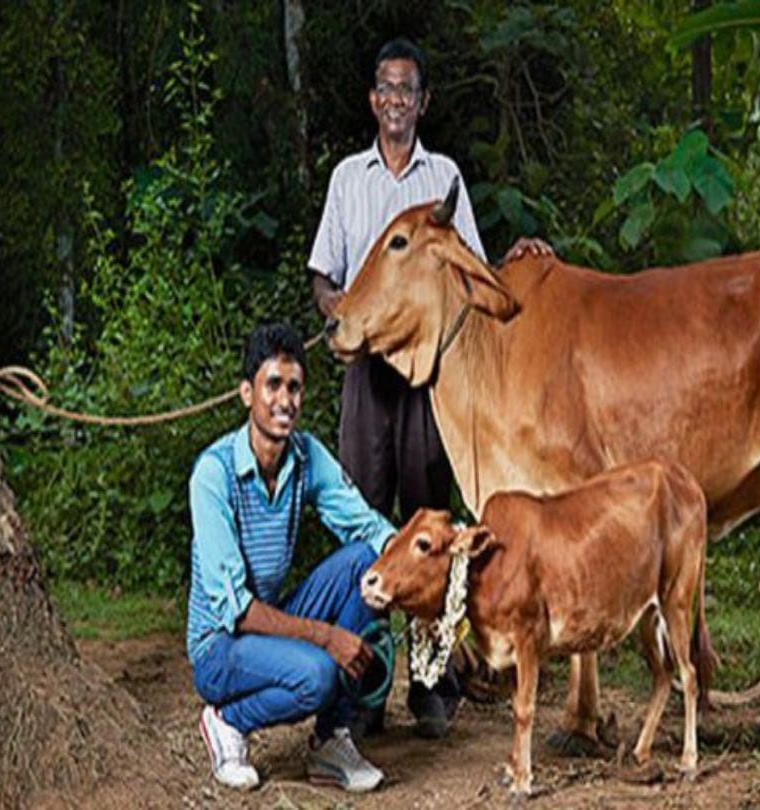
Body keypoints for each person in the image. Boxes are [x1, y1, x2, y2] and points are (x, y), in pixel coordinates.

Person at [308, 37, 550, 738]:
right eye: (385, 89)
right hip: (366, 374)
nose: (395, 102)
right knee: (363, 524)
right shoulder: (348, 180)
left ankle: (433, 685)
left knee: (428, 522)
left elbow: (469, 265)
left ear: (423, 103)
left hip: (429, 377)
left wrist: (517, 258)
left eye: (407, 90)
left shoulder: (442, 177)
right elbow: (326, 274)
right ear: (372, 100)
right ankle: (361, 687)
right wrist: (340, 315)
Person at [188, 323, 394, 793]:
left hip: (270, 621)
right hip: (219, 645)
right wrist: (328, 638)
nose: (285, 399)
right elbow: (236, 612)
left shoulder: (305, 455)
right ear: (247, 393)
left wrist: (419, 565)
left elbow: (367, 525)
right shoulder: (212, 476)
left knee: (368, 562)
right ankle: (227, 721)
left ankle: (329, 742)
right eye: (273, 385)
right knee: (319, 674)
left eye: (294, 386)